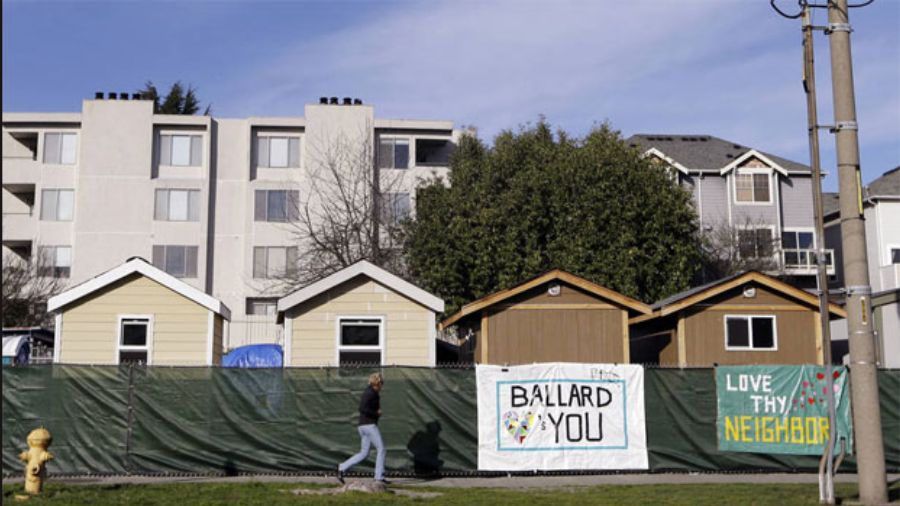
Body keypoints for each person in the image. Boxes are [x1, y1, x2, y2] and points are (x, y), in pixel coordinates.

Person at [337, 372, 387, 484]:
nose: (382, 385)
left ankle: (341, 467)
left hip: (363, 426)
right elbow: (362, 408)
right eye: (381, 383)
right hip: (369, 425)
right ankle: (379, 477)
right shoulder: (370, 393)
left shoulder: (372, 392)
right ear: (377, 383)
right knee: (381, 449)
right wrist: (376, 413)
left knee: (364, 453)